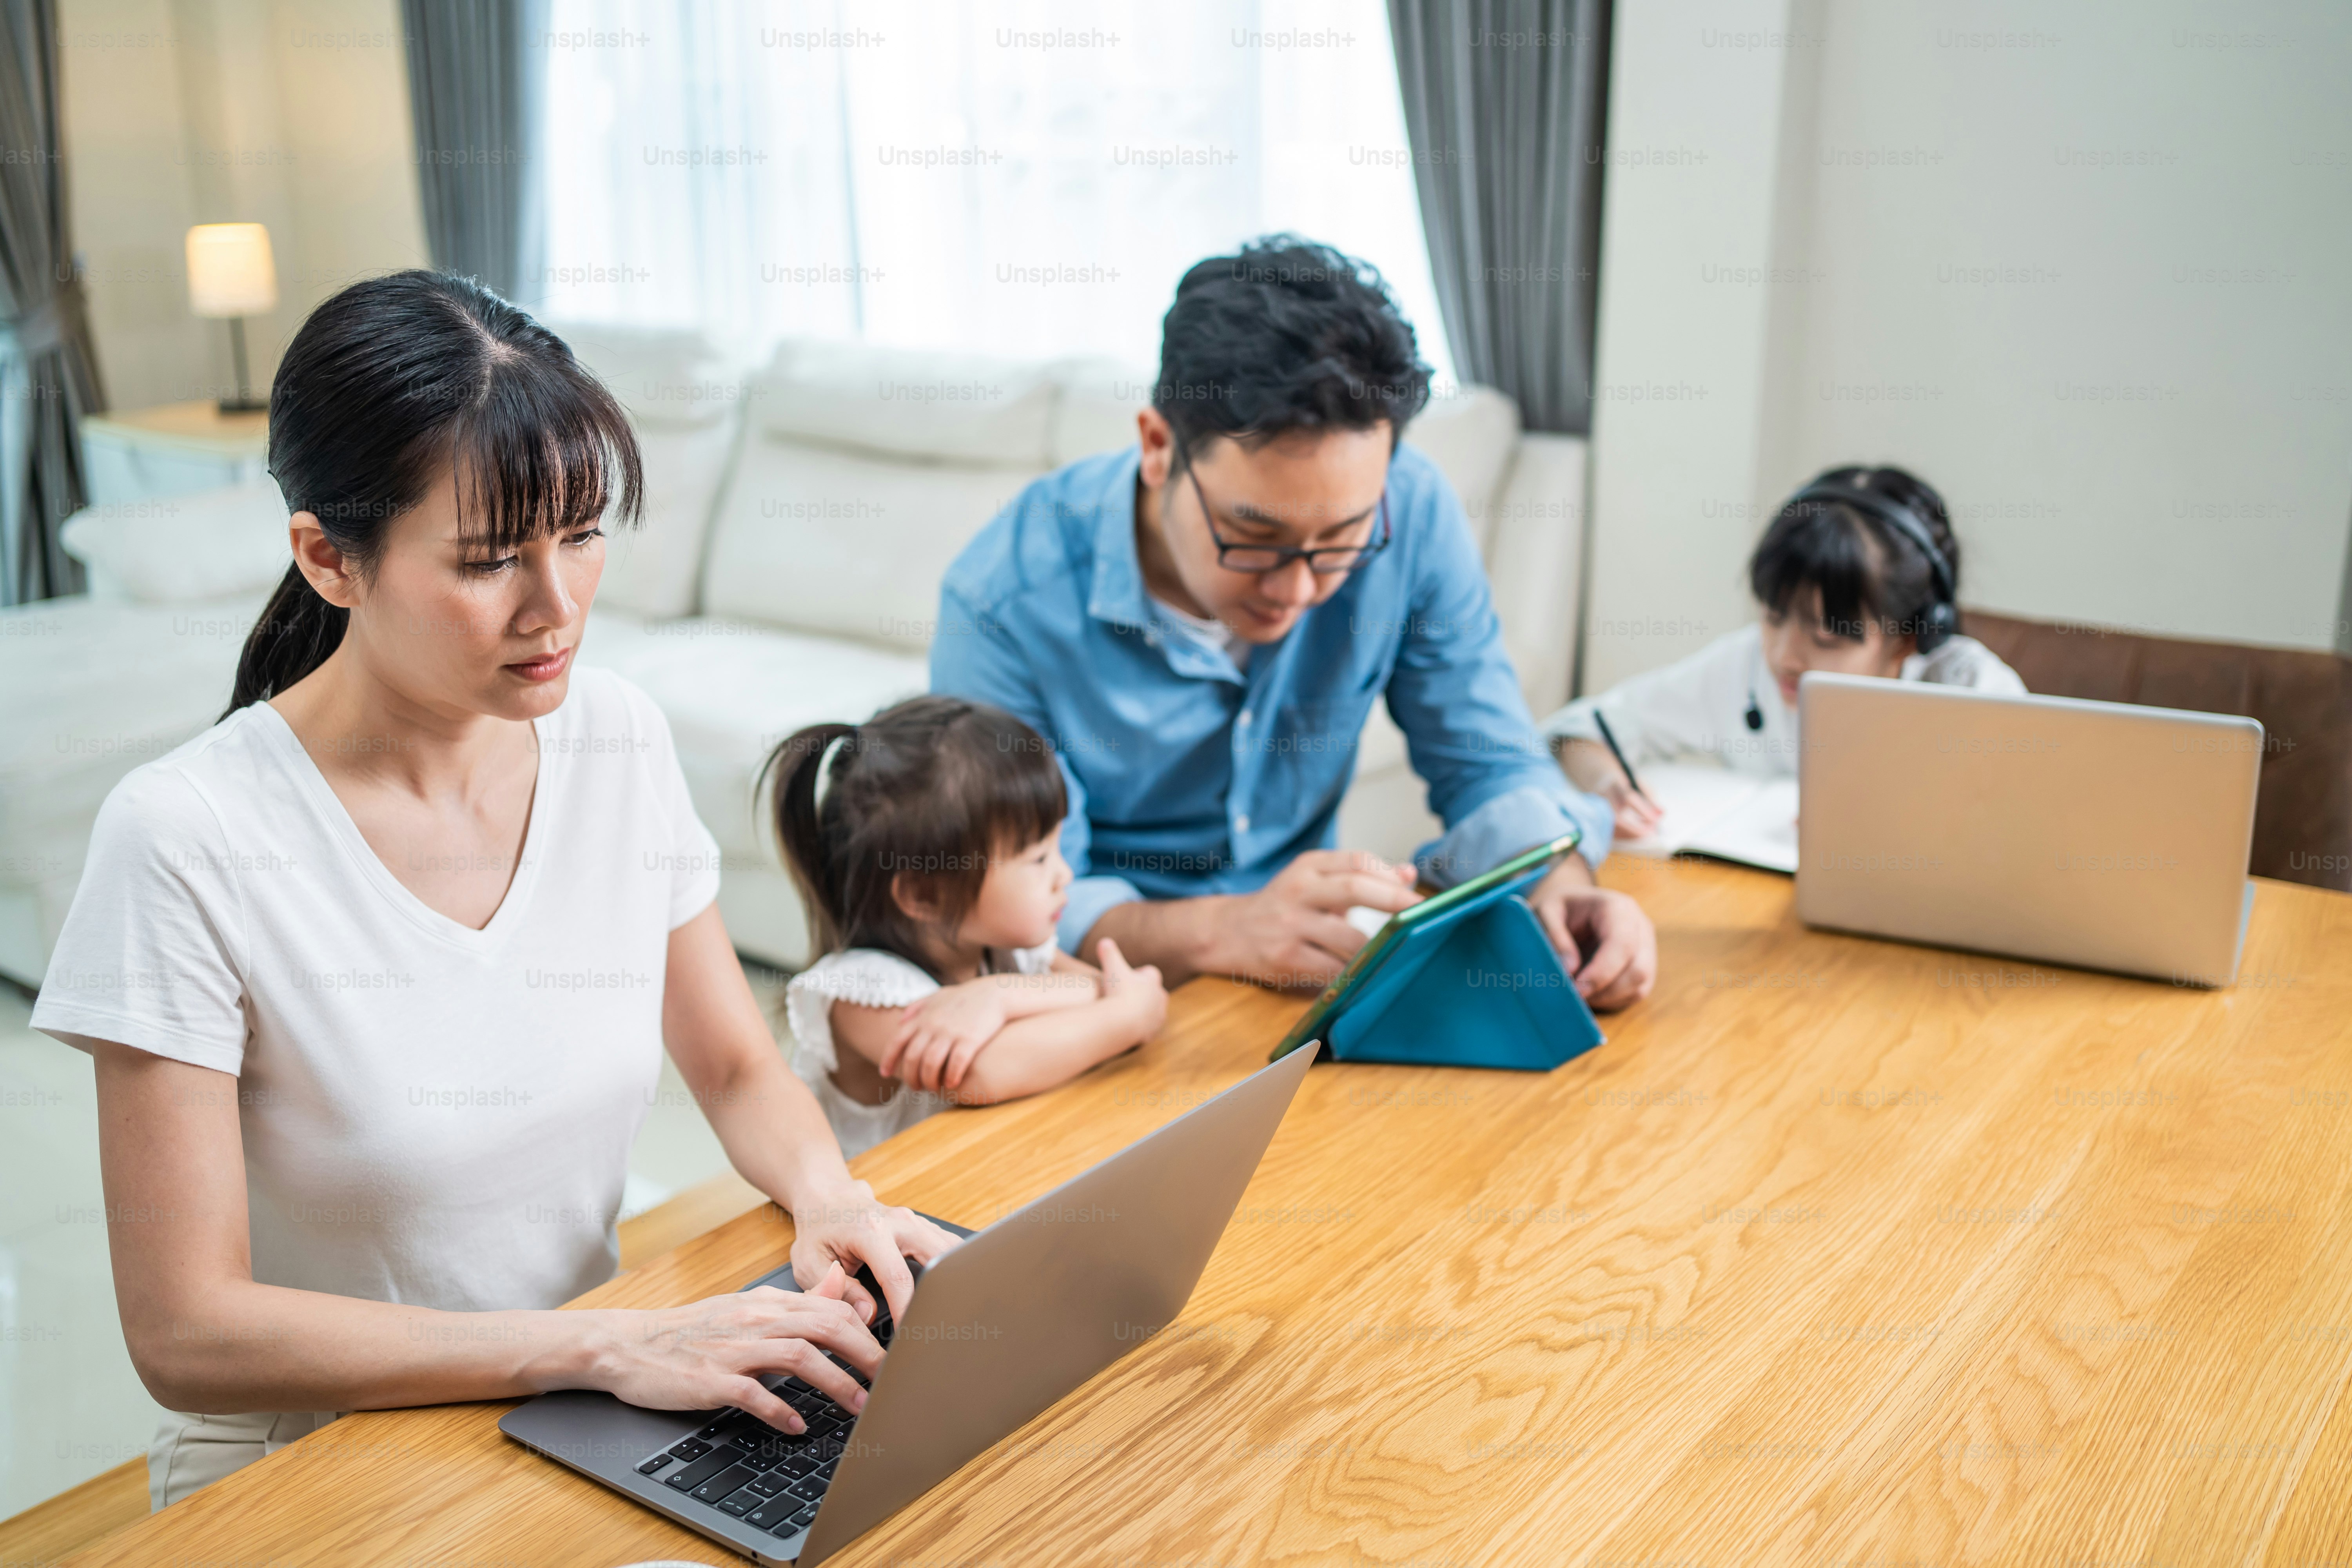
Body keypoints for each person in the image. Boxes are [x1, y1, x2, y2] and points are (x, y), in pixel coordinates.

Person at [29, 272, 953, 1509]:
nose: (558, 604)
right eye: (487, 561)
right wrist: (605, 1346)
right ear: (328, 558)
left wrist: (830, 1196)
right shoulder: (185, 837)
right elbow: (187, 1330)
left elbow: (732, 1066)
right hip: (312, 1473)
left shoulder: (615, 737)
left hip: (575, 1424)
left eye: (579, 534)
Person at [929, 237, 1656, 1010]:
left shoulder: (1409, 510)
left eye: (1342, 538)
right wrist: (1224, 930)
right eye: (1256, 535)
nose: (1301, 587)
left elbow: (1484, 756)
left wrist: (1561, 881)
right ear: (1156, 446)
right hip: (1090, 1003)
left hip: (1303, 987)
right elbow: (1016, 913)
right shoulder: (1003, 602)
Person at [767, 697, 1169, 1157]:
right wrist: (1127, 1016)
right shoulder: (857, 990)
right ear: (926, 895)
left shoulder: (1002, 952)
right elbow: (981, 1074)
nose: (1065, 875)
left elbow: (1106, 986)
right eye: (1038, 859)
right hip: (891, 1212)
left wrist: (1001, 994)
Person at [1543, 465, 2027, 838]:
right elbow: (1582, 729)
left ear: (1908, 637)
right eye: (1774, 616)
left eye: (1827, 639)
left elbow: (2022, 823)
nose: (1784, 656)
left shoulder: (1971, 691)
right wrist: (1606, 783)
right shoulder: (1748, 665)